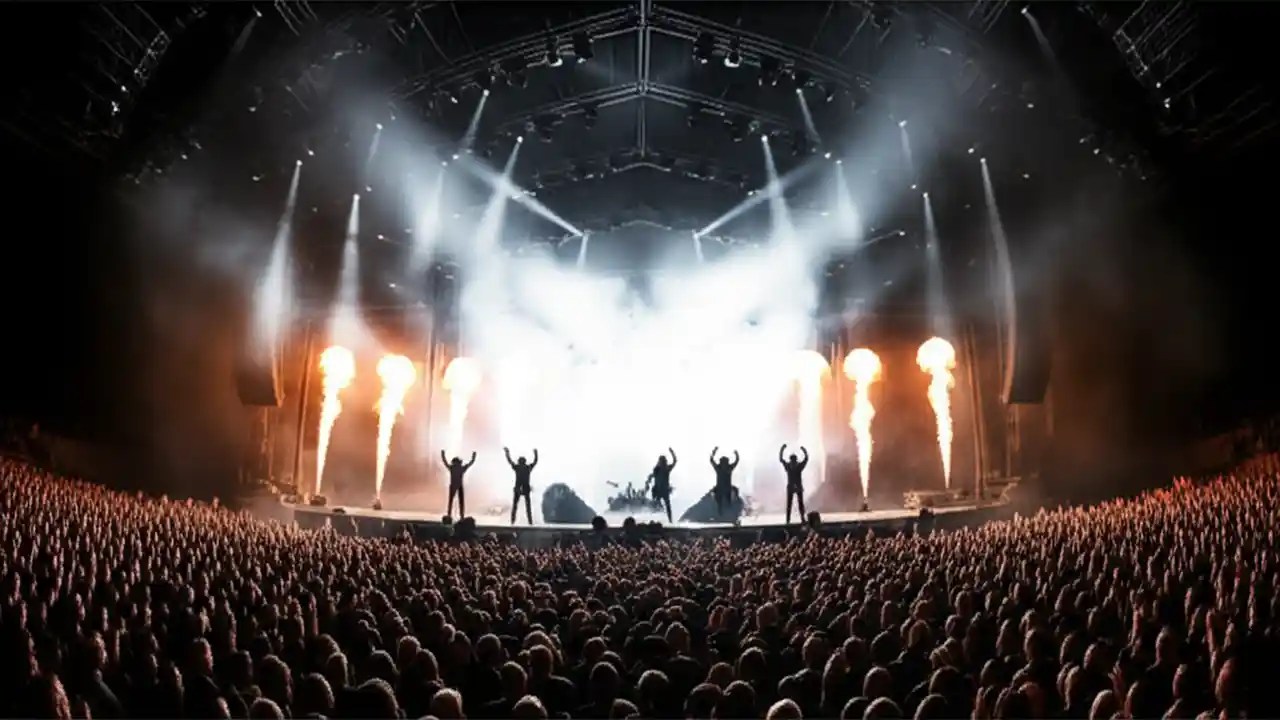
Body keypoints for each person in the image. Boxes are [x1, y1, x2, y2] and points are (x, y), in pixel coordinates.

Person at [504, 447, 538, 525]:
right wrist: (536, 454)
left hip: (520, 488)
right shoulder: (526, 468)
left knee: (518, 506)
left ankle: (515, 522)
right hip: (522, 488)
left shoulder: (519, 467)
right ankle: (528, 522)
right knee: (525, 506)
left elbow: (510, 461)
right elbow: (535, 462)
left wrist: (507, 453)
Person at [778, 444, 810, 525]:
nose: (793, 462)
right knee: (792, 504)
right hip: (794, 487)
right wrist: (803, 450)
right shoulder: (795, 466)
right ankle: (790, 519)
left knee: (797, 504)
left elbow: (781, 459)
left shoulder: (790, 466)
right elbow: (806, 459)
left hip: (794, 487)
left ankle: (795, 519)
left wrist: (782, 449)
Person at [440, 450, 476, 519]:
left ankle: (451, 514)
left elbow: (445, 462)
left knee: (453, 501)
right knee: (458, 501)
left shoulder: (453, 468)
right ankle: (457, 515)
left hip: (455, 485)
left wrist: (443, 455)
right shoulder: (460, 468)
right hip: (458, 485)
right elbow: (470, 463)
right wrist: (473, 457)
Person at [708, 447, 739, 519]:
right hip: (719, 488)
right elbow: (711, 460)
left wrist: (736, 454)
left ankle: (731, 511)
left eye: (725, 462)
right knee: (718, 501)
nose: (724, 464)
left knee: (732, 495)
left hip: (727, 488)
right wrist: (713, 452)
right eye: (723, 462)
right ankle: (719, 512)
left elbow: (736, 461)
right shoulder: (718, 468)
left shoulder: (729, 468)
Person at [648, 448, 677, 523]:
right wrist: (649, 480)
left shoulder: (667, 469)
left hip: (664, 491)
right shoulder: (656, 469)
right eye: (661, 461)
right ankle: (651, 518)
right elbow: (652, 476)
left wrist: (672, 453)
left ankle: (670, 521)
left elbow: (675, 461)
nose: (662, 463)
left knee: (667, 506)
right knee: (655, 504)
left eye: (663, 461)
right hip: (658, 490)